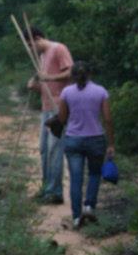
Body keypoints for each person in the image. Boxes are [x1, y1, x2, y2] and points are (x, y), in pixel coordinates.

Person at [57, 61, 115, 229]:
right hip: (96, 139)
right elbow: (108, 119)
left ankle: (76, 218)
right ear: (90, 74)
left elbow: (62, 119)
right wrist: (111, 143)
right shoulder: (101, 91)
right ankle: (89, 206)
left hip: (73, 140)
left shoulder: (66, 92)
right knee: (94, 174)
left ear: (72, 76)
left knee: (76, 179)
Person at [26, 26, 73, 204]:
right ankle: (46, 188)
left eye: (30, 45)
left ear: (38, 38)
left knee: (54, 148)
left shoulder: (59, 48)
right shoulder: (42, 57)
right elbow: (45, 85)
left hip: (59, 106)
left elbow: (71, 72)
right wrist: (35, 86)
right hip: (46, 107)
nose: (31, 49)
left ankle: (55, 192)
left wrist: (48, 77)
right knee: (44, 149)